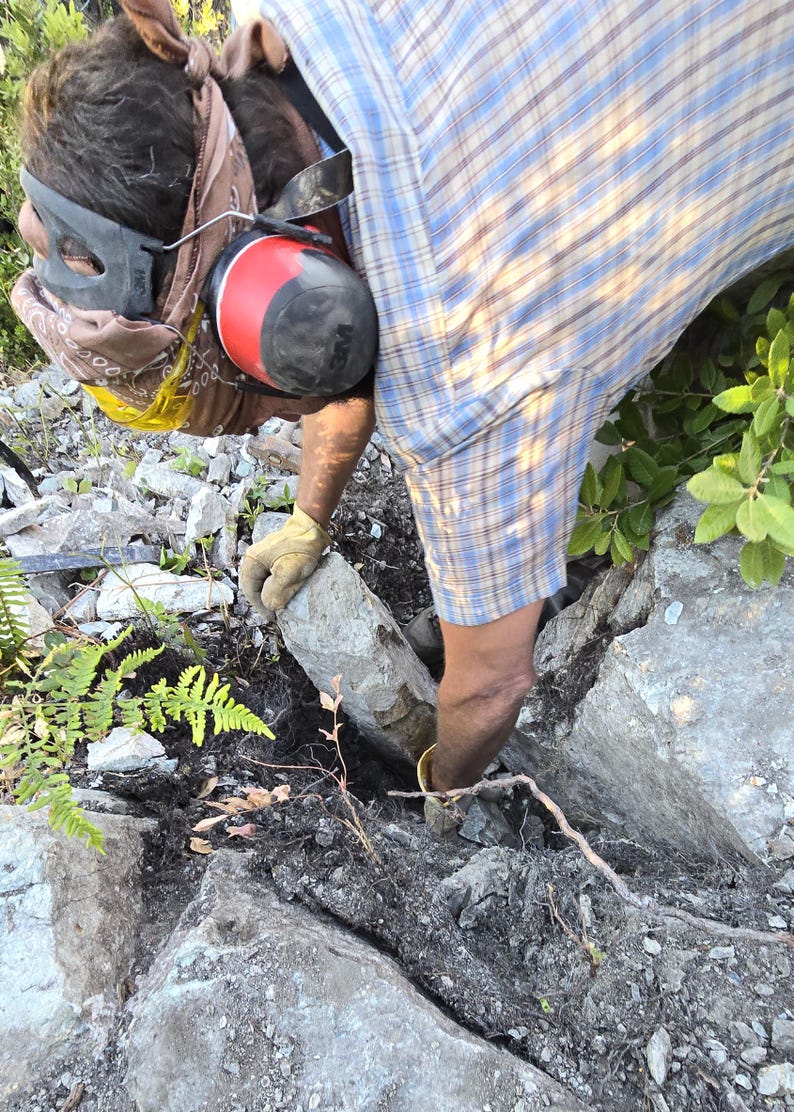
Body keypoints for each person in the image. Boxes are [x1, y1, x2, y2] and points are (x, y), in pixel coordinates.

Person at [12, 0, 794, 826]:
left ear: (288, 315)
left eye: (249, 399)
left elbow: (490, 684)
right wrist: (310, 515)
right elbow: (342, 298)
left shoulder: (467, 365)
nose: (269, 417)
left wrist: (447, 786)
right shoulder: (296, 37)